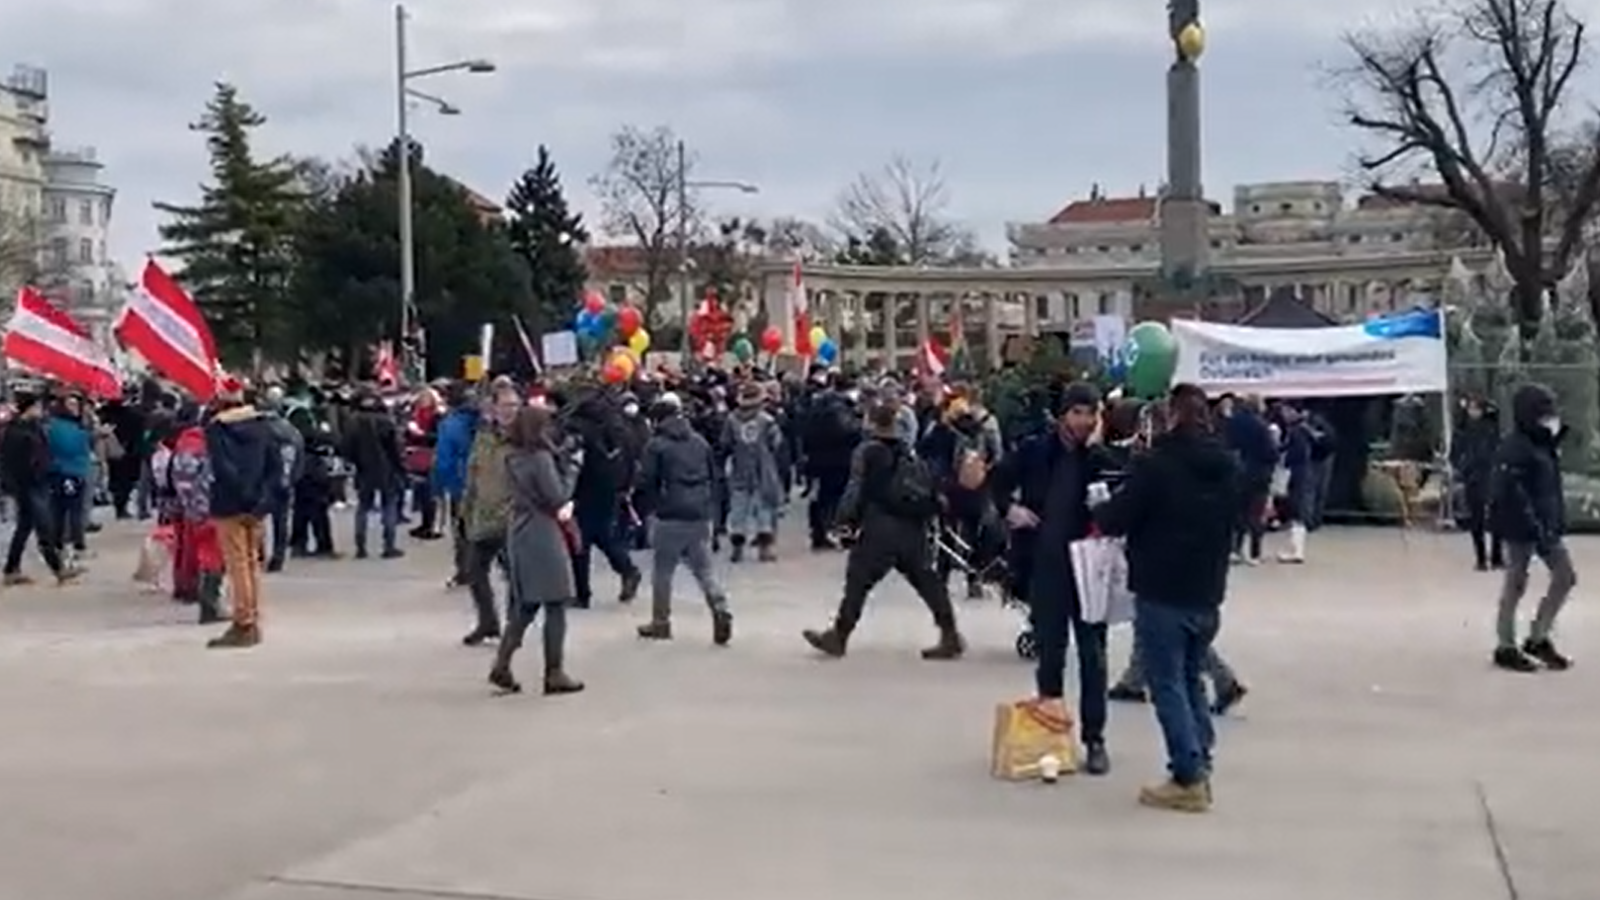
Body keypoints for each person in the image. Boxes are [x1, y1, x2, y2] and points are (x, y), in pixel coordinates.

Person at [1094, 382, 1238, 812]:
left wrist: (1101, 508)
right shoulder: (1228, 467)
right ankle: (1201, 755)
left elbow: (1118, 518)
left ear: (1171, 417)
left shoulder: (1157, 466)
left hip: (1162, 587)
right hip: (1208, 589)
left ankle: (1187, 775)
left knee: (1167, 684)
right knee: (1191, 676)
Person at [988, 382, 1114, 776]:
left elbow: (1121, 500)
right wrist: (1011, 509)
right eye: (1077, 412)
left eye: (1090, 413)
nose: (1084, 420)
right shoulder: (1035, 450)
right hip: (1046, 566)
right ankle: (1051, 733)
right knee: (1051, 652)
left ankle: (1095, 739)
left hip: (1089, 569)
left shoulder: (1101, 458)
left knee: (1093, 656)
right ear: (1063, 415)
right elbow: (996, 481)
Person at [801, 399, 964, 659]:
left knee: (858, 581)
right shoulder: (909, 451)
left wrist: (844, 521)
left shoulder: (867, 451)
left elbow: (855, 489)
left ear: (871, 422)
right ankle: (950, 633)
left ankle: (839, 635)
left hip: (879, 526)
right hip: (913, 526)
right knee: (927, 581)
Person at [488, 404, 585, 696]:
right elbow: (557, 496)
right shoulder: (540, 458)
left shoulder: (513, 457)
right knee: (555, 601)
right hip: (542, 532)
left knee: (525, 604)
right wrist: (572, 469)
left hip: (520, 529)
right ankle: (554, 672)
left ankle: (502, 664)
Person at [634, 392, 732, 645]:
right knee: (703, 569)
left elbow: (646, 481)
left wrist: (651, 506)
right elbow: (714, 476)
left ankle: (661, 622)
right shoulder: (700, 442)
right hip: (699, 513)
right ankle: (719, 606)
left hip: (669, 515)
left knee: (663, 572)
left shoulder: (656, 446)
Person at [1489, 383, 1575, 673]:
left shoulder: (1543, 445)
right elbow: (1511, 492)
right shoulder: (1515, 447)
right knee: (1516, 581)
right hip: (1521, 525)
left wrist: (1553, 522)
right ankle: (1506, 644)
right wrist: (1532, 524)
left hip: (1545, 524)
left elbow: (1549, 489)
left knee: (1565, 577)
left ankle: (1538, 636)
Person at [204, 380, 279, 648]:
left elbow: (222, 468)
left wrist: (242, 496)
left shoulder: (216, 429)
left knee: (237, 565)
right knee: (251, 563)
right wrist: (260, 501)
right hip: (257, 505)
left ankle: (243, 622)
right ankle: (253, 617)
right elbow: (275, 467)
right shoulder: (263, 426)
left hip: (229, 504)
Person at [458, 383, 520, 646]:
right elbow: (473, 474)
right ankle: (487, 621)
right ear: (493, 408)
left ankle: (514, 626)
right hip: (483, 514)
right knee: (474, 570)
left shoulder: (523, 438)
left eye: (515, 405)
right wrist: (465, 510)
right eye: (505, 405)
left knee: (515, 577)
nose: (510, 411)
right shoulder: (484, 438)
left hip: (513, 517)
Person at [0, 393, 74, 585]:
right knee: (44, 527)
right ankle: (57, 568)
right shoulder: (16, 432)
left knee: (24, 527)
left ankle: (11, 568)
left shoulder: (34, 428)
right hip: (27, 485)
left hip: (38, 483)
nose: (41, 410)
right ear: (29, 408)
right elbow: (15, 463)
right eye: (38, 407)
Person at [721, 382, 784, 563]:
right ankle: (765, 548)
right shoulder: (767, 420)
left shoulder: (731, 419)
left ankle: (737, 546)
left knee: (738, 509)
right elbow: (776, 443)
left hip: (739, 468)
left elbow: (725, 443)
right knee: (764, 508)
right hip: (763, 469)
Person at [343, 388, 406, 560]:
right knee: (389, 505)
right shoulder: (386, 421)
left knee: (363, 507)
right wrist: (401, 469)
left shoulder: (353, 421)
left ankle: (360, 546)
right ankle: (389, 545)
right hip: (386, 469)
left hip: (364, 469)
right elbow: (395, 449)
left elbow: (347, 447)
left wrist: (355, 463)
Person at [432, 383, 479, 588]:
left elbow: (443, 459)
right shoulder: (484, 422)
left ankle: (465, 571)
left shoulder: (449, 424)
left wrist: (438, 487)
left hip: (460, 482)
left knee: (462, 529)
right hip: (487, 480)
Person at [1452, 396, 1502, 570]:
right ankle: (1481, 557)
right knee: (1476, 519)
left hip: (1491, 475)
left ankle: (1497, 556)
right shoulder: (1463, 429)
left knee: (1496, 518)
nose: (1472, 412)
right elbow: (1456, 451)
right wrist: (1463, 467)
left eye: (1476, 408)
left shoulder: (1490, 428)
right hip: (1473, 477)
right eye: (1470, 408)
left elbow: (1496, 447)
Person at [44, 395, 92, 566]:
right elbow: (74, 448)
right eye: (71, 404)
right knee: (73, 510)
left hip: (61, 471)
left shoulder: (52, 426)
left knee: (59, 509)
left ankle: (60, 542)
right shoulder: (68, 428)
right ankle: (75, 544)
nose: (75, 407)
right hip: (71, 470)